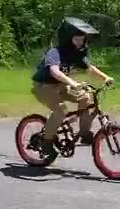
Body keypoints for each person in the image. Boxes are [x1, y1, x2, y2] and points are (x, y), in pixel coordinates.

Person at [31, 17, 114, 155]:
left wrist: (105, 77)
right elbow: (54, 71)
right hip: (44, 86)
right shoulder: (55, 52)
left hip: (62, 86)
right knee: (61, 110)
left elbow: (90, 68)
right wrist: (72, 83)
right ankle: (46, 142)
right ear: (67, 39)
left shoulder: (76, 53)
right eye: (77, 39)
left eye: (82, 39)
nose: (80, 42)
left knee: (87, 98)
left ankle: (84, 132)